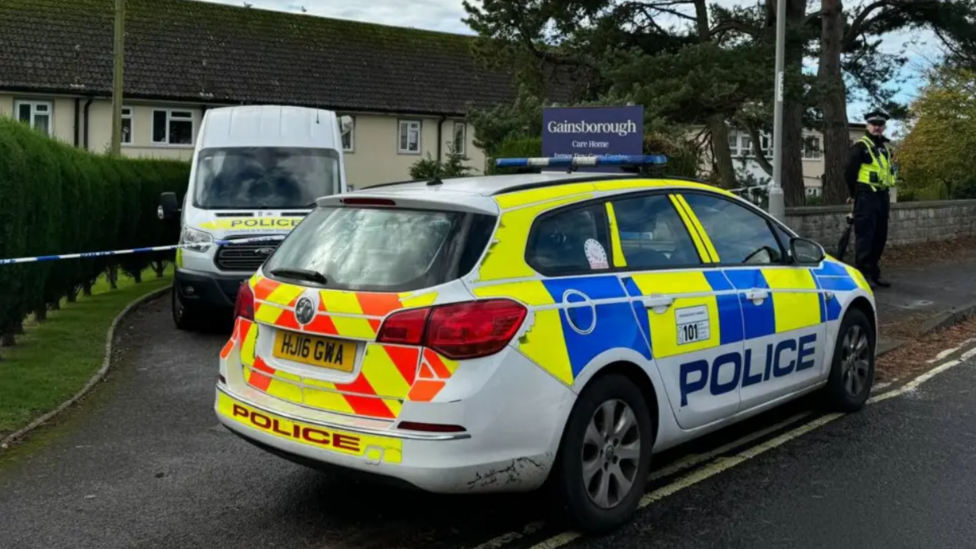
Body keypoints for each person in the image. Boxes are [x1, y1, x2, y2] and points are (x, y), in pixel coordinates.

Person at [844, 109, 897, 289]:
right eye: (873, 124)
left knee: (880, 237)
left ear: (884, 127)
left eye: (880, 124)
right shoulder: (860, 146)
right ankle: (863, 274)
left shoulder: (885, 148)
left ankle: (874, 273)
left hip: (882, 196)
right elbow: (849, 173)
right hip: (866, 195)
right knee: (865, 237)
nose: (877, 127)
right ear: (867, 125)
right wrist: (853, 194)